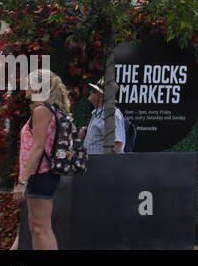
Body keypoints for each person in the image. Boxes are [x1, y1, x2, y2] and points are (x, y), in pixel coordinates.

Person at [14, 69, 68, 251]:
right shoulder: (46, 109)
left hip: (40, 173)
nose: (25, 88)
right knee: (36, 227)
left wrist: (23, 180)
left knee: (41, 228)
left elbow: (37, 148)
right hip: (40, 174)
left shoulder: (41, 110)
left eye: (28, 83)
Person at [79, 79, 126, 154]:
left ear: (102, 97)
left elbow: (117, 145)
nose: (90, 92)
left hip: (103, 164)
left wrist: (109, 165)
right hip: (95, 163)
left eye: (94, 91)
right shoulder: (98, 113)